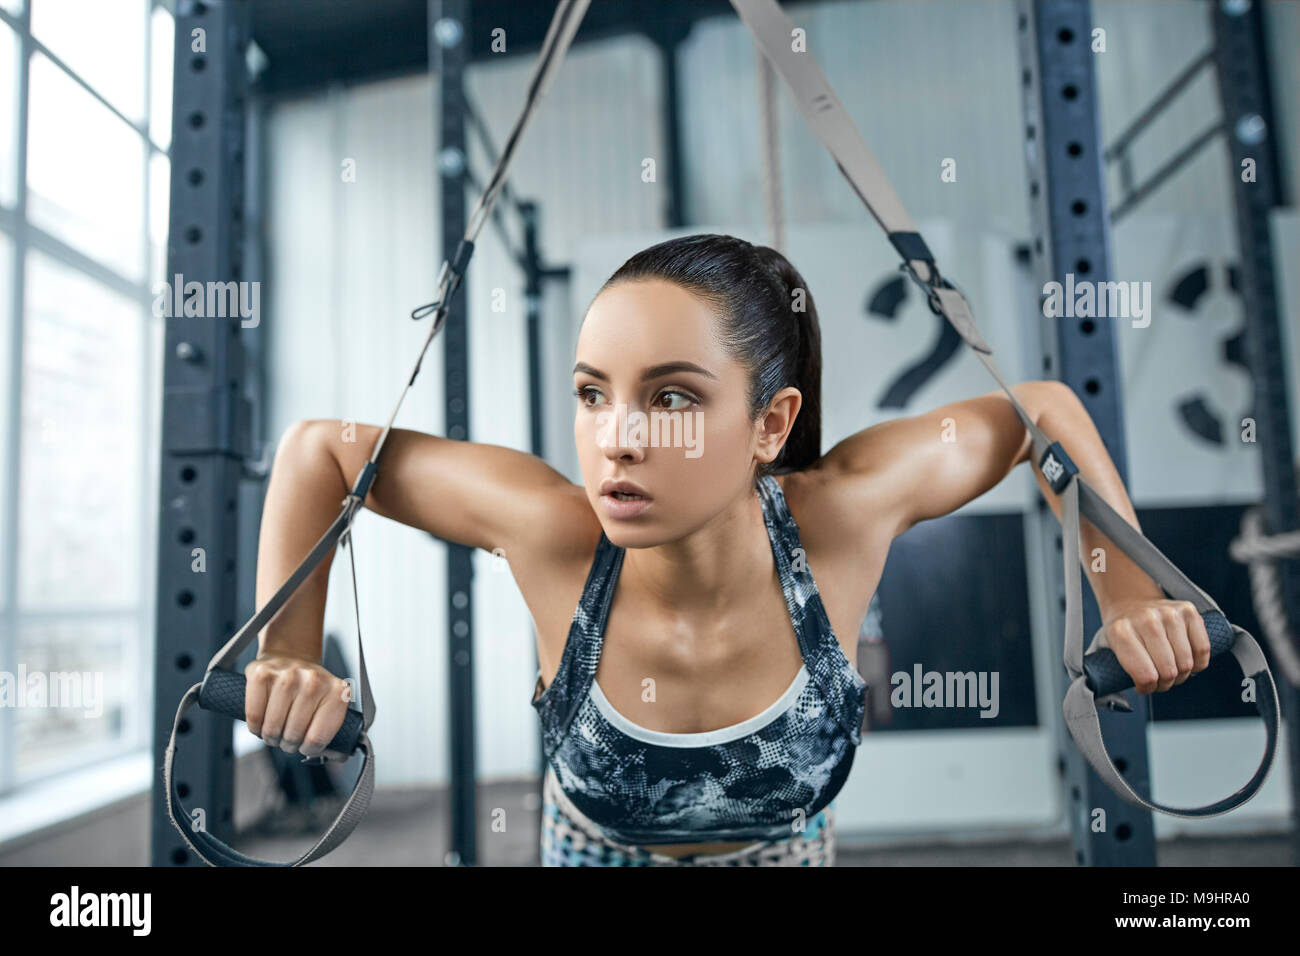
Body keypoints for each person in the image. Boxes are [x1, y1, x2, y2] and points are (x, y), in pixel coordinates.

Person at [242, 233, 1212, 866]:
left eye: (670, 397)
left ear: (768, 423)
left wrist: (1124, 591)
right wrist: (287, 646)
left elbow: (1033, 412)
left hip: (786, 850)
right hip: (592, 848)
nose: (616, 436)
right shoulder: (551, 529)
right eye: (591, 394)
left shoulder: (844, 512)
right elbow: (321, 450)